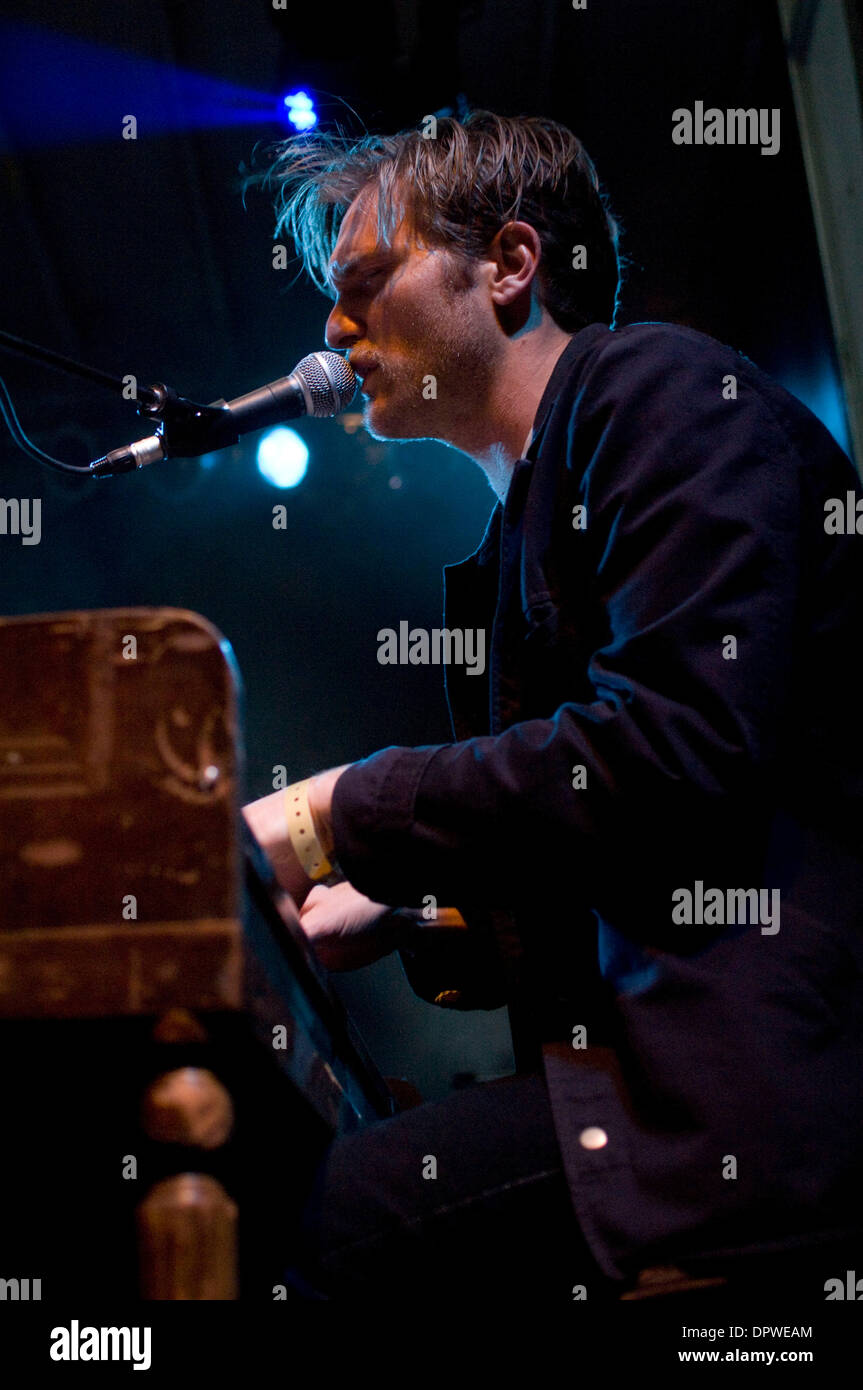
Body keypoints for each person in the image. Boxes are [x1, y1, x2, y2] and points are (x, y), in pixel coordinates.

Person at [241, 111, 863, 1305]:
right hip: (663, 1103)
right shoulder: (525, 524)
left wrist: (336, 809)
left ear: (510, 265)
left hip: (754, 1110)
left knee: (308, 1234)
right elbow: (616, 824)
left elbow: (676, 744)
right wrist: (427, 893)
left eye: (366, 282)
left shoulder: (662, 391)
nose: (331, 329)